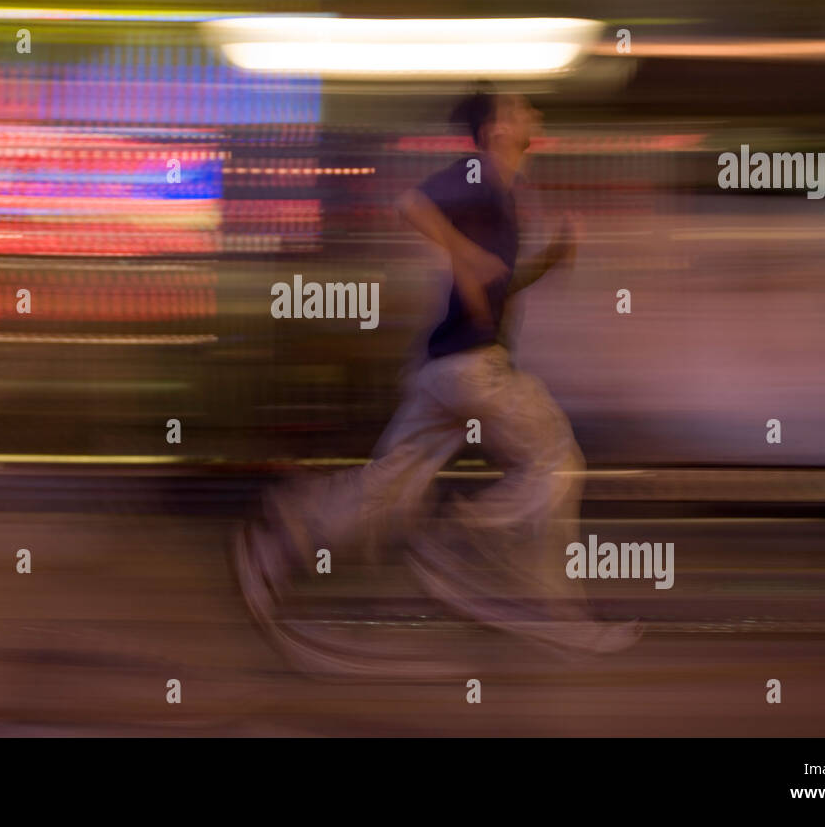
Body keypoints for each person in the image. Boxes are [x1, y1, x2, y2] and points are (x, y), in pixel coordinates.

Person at [234, 88, 641, 669]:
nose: (534, 116)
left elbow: (497, 282)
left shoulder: (503, 190)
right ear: (498, 127)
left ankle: (273, 548)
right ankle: (472, 554)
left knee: (385, 490)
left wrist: (544, 262)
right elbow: (412, 204)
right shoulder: (481, 174)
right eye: (523, 109)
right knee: (556, 463)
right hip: (475, 369)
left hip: (442, 371)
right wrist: (464, 256)